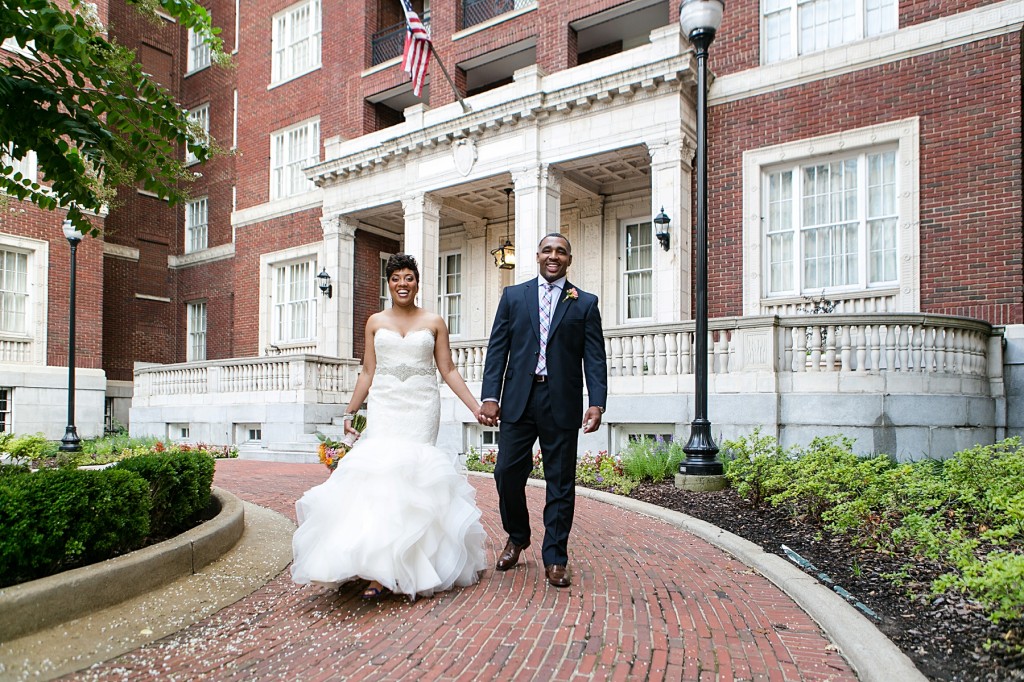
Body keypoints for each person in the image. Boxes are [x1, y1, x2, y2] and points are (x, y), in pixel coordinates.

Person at [291, 254, 488, 600]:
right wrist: (351, 412)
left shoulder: (434, 321)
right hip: (385, 406)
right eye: (396, 278)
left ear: (417, 283)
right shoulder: (374, 322)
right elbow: (368, 371)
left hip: (421, 407)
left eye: (409, 278)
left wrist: (476, 407)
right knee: (379, 477)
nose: (402, 284)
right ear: (389, 283)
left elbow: (449, 370)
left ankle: (405, 566)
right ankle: (373, 564)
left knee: (414, 477)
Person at [478, 233, 608, 588]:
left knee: (560, 483)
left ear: (569, 258)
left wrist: (597, 402)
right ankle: (517, 535)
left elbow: (594, 357)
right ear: (537, 255)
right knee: (506, 473)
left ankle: (555, 557)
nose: (554, 256)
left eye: (561, 251)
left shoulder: (584, 303)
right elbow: (497, 351)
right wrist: (491, 395)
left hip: (561, 402)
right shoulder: (514, 296)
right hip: (519, 399)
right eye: (548, 250)